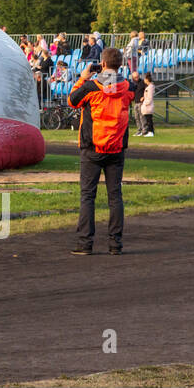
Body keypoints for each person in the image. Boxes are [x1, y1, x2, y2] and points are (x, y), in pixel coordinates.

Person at [68, 48, 141, 255]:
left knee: (87, 196)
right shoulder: (127, 87)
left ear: (102, 62)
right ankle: (115, 244)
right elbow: (135, 90)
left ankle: (85, 243)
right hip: (116, 148)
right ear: (121, 64)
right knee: (115, 196)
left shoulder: (92, 86)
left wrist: (82, 78)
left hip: (92, 147)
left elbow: (72, 100)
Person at [139, 72, 156, 137]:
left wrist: (145, 103)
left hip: (148, 106)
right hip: (147, 106)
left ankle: (150, 131)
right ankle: (150, 131)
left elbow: (150, 97)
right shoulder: (149, 87)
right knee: (148, 119)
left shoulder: (150, 87)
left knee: (149, 120)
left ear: (147, 80)